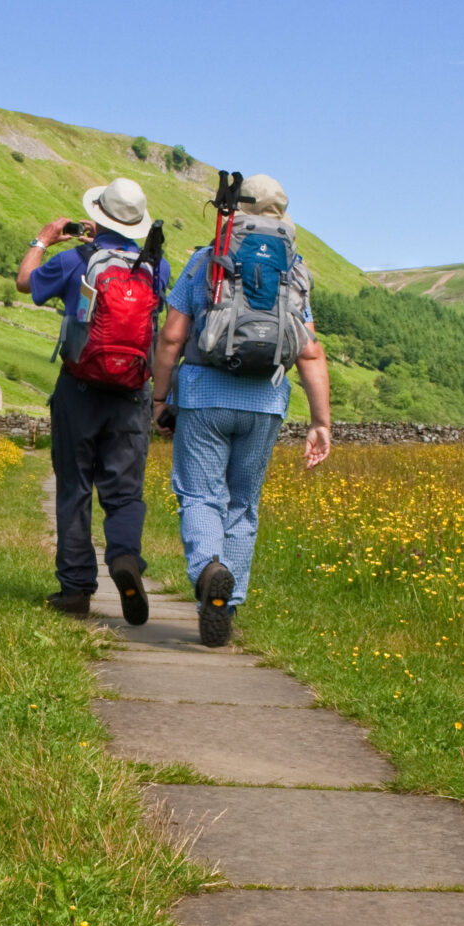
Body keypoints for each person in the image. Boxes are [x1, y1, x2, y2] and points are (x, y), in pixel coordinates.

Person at [151, 173, 332, 647]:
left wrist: (159, 398)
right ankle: (224, 609)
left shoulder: (206, 260)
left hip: (205, 396)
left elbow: (171, 337)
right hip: (266, 401)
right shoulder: (293, 269)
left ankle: (209, 569)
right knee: (242, 506)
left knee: (200, 496)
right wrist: (320, 422)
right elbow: (310, 352)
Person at [18, 176, 170, 621]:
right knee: (124, 493)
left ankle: (76, 590)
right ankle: (124, 557)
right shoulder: (154, 267)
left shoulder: (74, 261)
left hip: (79, 388)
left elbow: (25, 282)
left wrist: (43, 238)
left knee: (75, 488)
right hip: (132, 393)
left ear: (97, 217)